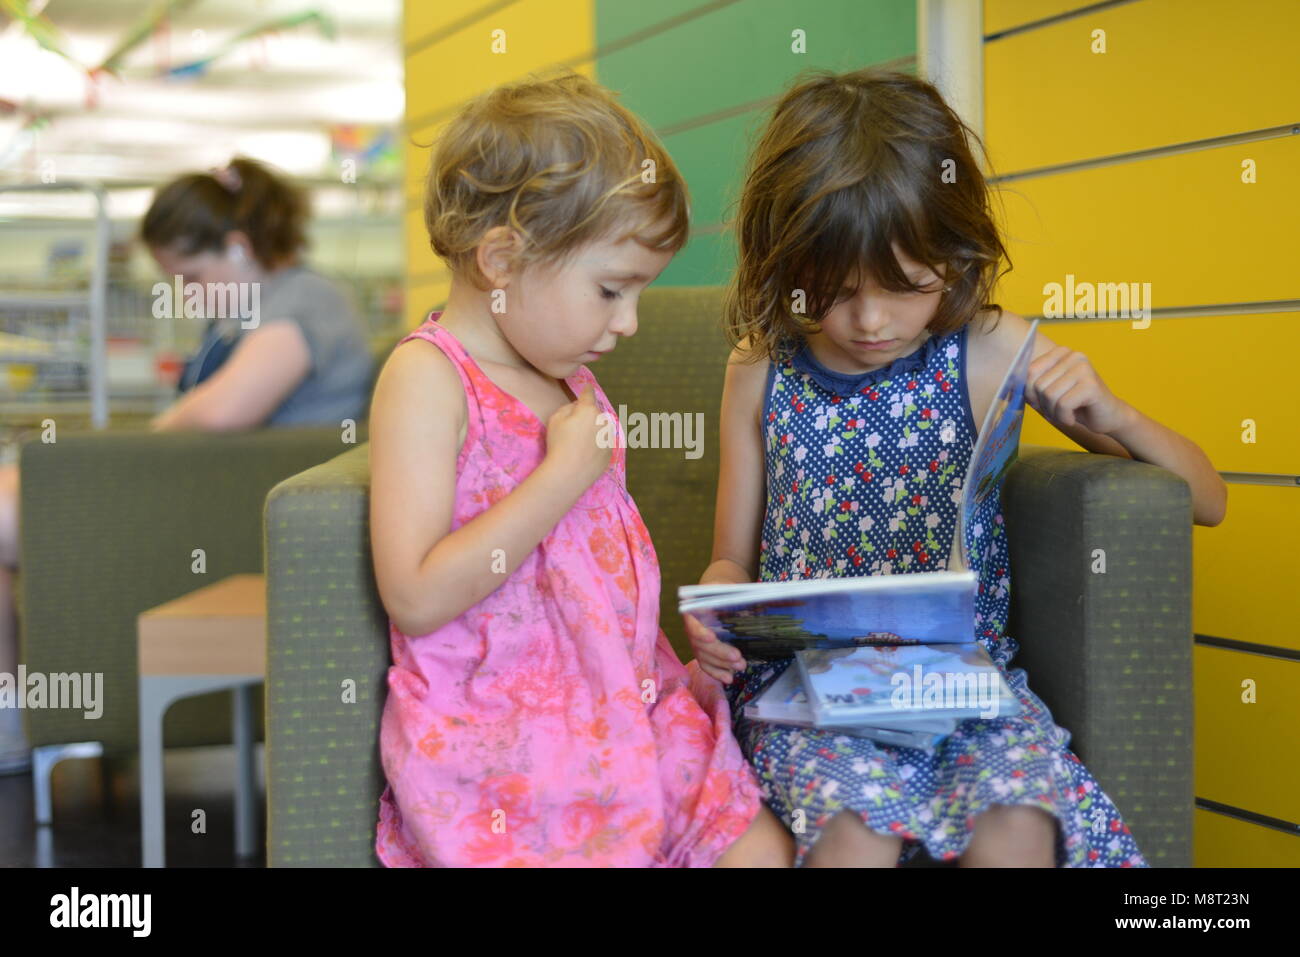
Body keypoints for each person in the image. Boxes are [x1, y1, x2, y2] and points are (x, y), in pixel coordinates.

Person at [683, 68, 1227, 868]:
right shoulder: (760, 367)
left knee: (1018, 822)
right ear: (785, 263)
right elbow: (733, 552)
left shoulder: (992, 350)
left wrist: (1112, 413)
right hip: (811, 693)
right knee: (852, 833)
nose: (870, 320)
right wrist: (716, 609)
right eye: (833, 292)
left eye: (905, 286)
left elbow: (1205, 498)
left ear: (956, 251)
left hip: (965, 691)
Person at [368, 72, 791, 867]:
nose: (628, 323)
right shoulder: (427, 379)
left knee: (759, 847)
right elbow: (416, 595)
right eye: (610, 290)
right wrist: (561, 474)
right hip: (506, 747)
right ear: (501, 257)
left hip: (627, 708)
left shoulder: (570, 378)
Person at [0, 157, 373, 773]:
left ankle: (13, 712)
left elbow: (224, 410)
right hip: (208, 498)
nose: (183, 295)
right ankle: (13, 706)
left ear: (237, 247)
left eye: (192, 276)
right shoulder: (247, 314)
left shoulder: (305, 302)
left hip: (236, 517)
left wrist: (122, 456)